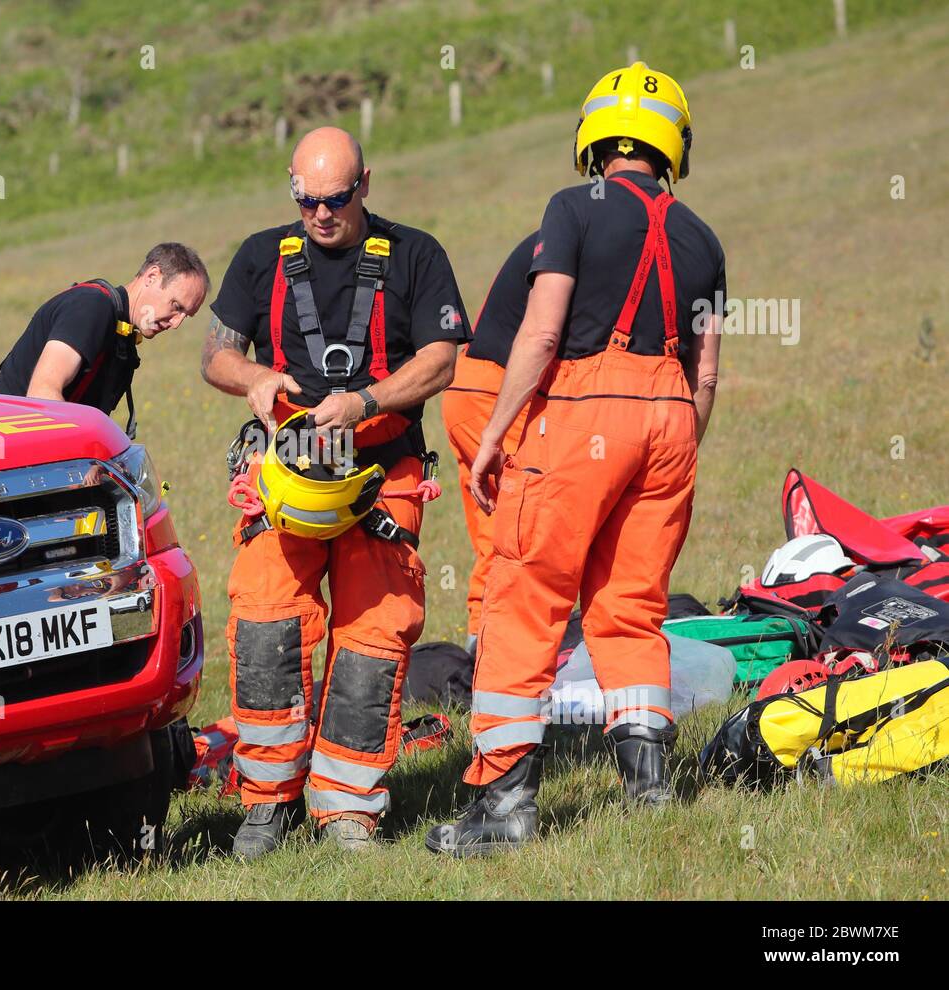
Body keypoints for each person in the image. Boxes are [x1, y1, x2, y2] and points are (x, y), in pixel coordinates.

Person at [427, 62, 725, 857]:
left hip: (586, 404)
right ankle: (651, 791)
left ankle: (505, 808)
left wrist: (495, 435)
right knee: (630, 603)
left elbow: (543, 331)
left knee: (527, 592)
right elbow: (707, 371)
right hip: (670, 416)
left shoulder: (572, 208)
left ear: (595, 140)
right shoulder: (703, 236)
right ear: (673, 146)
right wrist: (676, 448)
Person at [201, 126, 469, 857]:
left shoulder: (417, 254)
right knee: (264, 624)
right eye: (307, 199)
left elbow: (442, 359)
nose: (321, 213)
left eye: (337, 199)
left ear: (366, 184)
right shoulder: (261, 257)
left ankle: (348, 807)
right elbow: (215, 353)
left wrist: (369, 401)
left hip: (381, 476)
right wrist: (253, 377)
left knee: (372, 641)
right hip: (285, 477)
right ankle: (267, 803)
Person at [0, 242, 209, 434]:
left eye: (186, 316)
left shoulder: (121, 334)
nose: (176, 323)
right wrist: (91, 449)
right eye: (176, 306)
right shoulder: (93, 306)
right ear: (152, 277)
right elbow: (42, 393)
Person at [440, 232, 537, 650]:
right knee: (523, 530)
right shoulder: (581, 242)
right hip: (493, 391)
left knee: (496, 532)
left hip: (470, 386)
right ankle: (500, 656)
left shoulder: (562, 234)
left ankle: (480, 656)